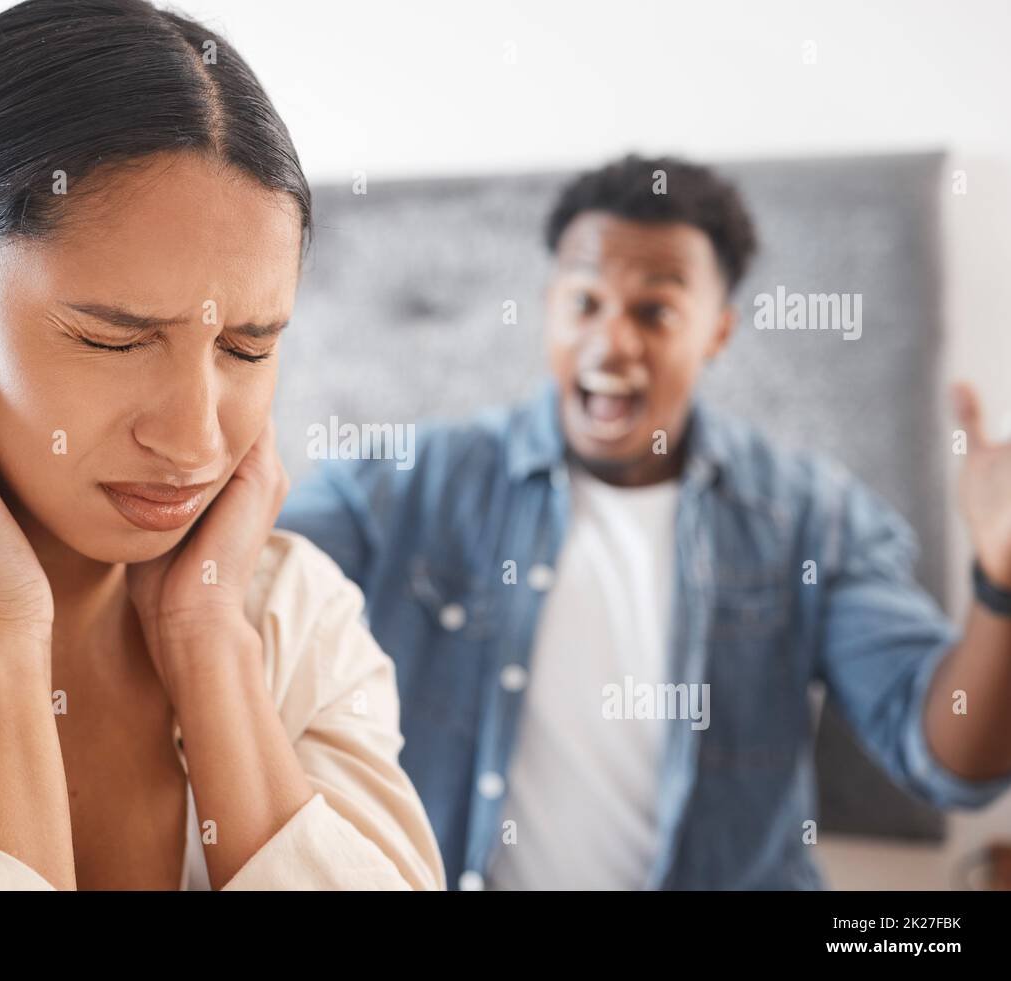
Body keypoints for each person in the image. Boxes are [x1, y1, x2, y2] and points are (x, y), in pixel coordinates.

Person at [0, 0, 443, 892]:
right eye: (115, 339)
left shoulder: (302, 622)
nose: (195, 439)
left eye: (247, 345)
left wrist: (208, 639)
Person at [277, 154, 1011, 890]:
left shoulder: (812, 518)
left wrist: (1000, 582)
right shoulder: (404, 485)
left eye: (654, 311)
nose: (613, 341)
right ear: (549, 306)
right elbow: (254, 581)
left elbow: (949, 761)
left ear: (717, 331)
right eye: (586, 302)